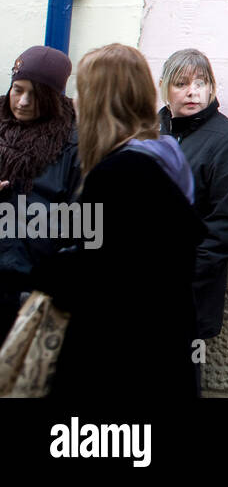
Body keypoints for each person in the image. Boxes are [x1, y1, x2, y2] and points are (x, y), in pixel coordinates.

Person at [31, 43, 205, 398]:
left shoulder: (120, 173)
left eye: (84, 92)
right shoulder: (167, 157)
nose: (77, 104)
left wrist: (45, 264)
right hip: (162, 356)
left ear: (102, 102)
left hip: (119, 366)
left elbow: (99, 279)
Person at [158, 48, 228, 341]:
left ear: (211, 88)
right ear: (164, 87)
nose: (192, 92)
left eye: (200, 83)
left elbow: (227, 229)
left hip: (187, 297)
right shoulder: (150, 132)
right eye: (181, 84)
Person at [0, 46, 80, 335]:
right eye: (17, 89)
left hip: (32, 291)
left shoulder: (73, 144)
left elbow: (82, 224)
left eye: (34, 95)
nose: (22, 102)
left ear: (53, 97)